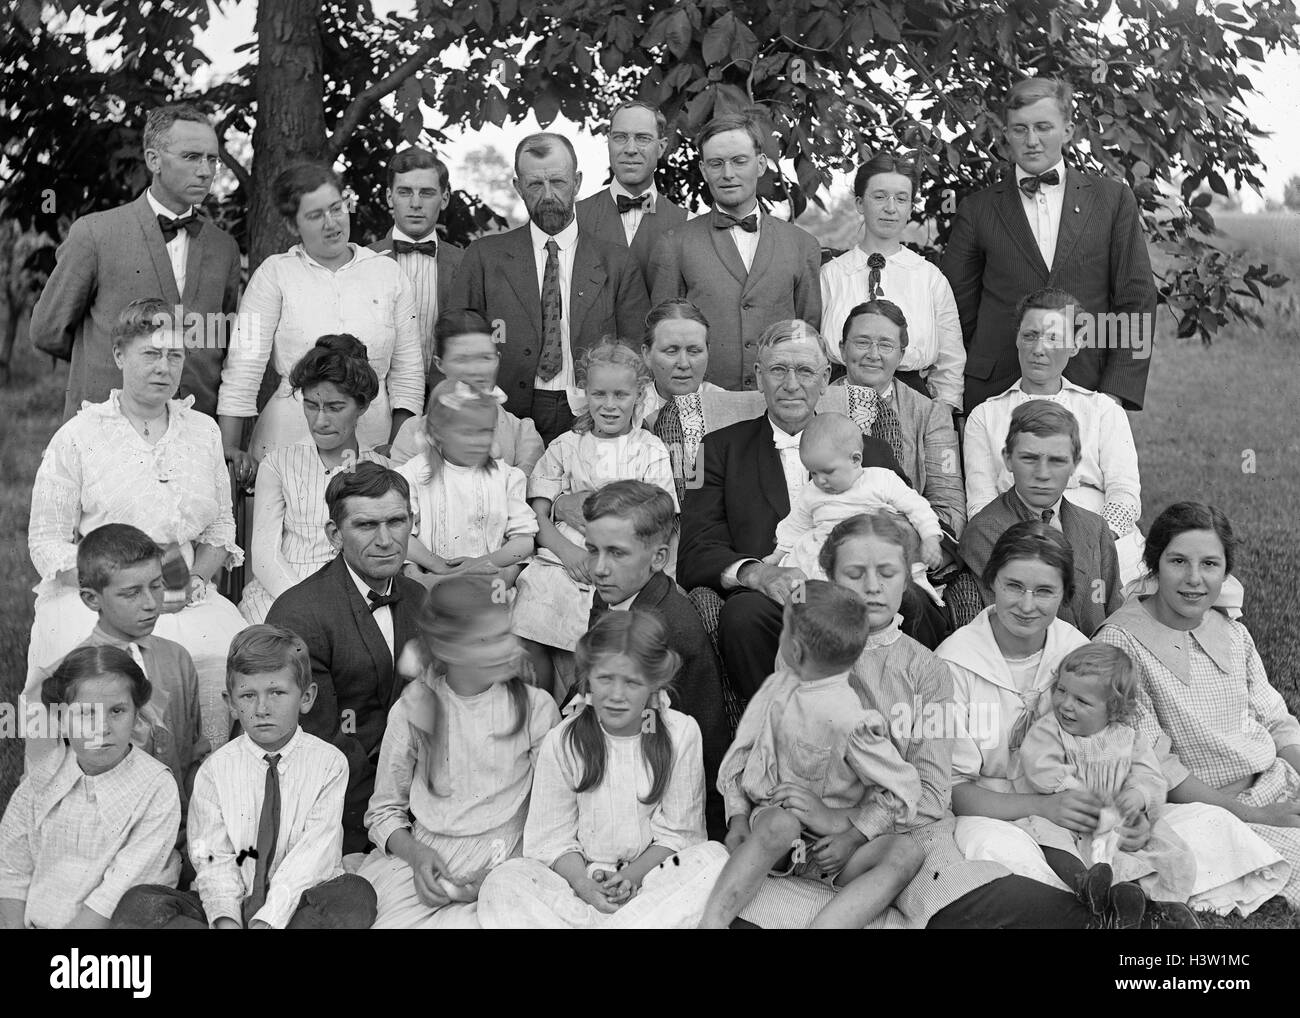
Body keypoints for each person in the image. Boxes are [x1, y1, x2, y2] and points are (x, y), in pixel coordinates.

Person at [936, 523, 1221, 927]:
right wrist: (1044, 806)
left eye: (1045, 591)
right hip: (998, 809)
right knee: (998, 851)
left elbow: (1126, 749)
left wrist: (1135, 814)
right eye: (1014, 586)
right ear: (990, 583)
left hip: (1086, 804)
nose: (1027, 605)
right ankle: (1103, 911)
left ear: (1065, 595)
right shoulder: (954, 663)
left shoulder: (1077, 652)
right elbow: (953, 791)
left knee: (1194, 827)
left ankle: (1127, 899)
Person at [678, 319, 944, 700]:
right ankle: (783, 727)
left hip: (865, 591)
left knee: (912, 600)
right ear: (758, 376)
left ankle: (902, 726)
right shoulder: (714, 450)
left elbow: (918, 519)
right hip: (788, 598)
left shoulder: (868, 451)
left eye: (804, 371)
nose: (790, 384)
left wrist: (903, 536)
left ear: (824, 379)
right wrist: (758, 574)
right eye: (777, 370)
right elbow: (695, 548)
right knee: (742, 617)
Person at [26, 298, 246, 754]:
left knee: (226, 654)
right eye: (150, 353)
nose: (163, 367)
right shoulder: (80, 434)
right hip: (98, 593)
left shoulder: (203, 432)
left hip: (186, 593)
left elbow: (221, 527)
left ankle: (201, 781)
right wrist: (114, 585)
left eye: (174, 356)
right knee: (99, 662)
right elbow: (45, 541)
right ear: (120, 356)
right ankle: (96, 775)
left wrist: (199, 580)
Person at [1095, 502, 1300, 911]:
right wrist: (1260, 816)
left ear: (1225, 571)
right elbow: (1159, 769)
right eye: (1178, 561)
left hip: (1274, 781)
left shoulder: (1232, 632)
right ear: (1154, 565)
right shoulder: (1120, 643)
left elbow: (1277, 722)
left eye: (1209, 564)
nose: (1194, 579)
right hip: (1205, 809)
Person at [112, 626, 378, 929]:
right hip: (230, 903)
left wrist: (266, 921)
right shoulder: (215, 770)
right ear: (231, 703)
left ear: (306, 697)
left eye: (277, 692)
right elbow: (212, 859)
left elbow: (312, 857)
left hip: (299, 900)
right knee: (140, 904)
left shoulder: (329, 763)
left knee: (356, 895)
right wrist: (227, 921)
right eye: (248, 695)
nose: (262, 709)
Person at [477, 611, 729, 929]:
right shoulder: (563, 740)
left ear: (655, 683)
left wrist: (630, 878)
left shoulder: (681, 733)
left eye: (633, 682)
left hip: (650, 880)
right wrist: (584, 885)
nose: (616, 695)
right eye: (604, 678)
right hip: (577, 884)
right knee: (505, 880)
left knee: (715, 860)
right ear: (587, 677)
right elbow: (551, 839)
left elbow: (680, 835)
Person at [702, 581, 923, 929]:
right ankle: (712, 921)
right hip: (777, 839)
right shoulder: (775, 691)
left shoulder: (853, 722)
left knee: (904, 853)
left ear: (796, 649)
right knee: (781, 821)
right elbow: (741, 757)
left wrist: (854, 836)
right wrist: (739, 818)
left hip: (831, 849)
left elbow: (904, 788)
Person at [941, 77, 1156, 413]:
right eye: (1019, 129)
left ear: (1068, 130)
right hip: (996, 391)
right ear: (1006, 135)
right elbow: (955, 311)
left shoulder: (1112, 201)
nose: (1032, 141)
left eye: (1043, 127)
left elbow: (1137, 301)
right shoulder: (978, 209)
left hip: (1088, 387)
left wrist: (1115, 392)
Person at [358, 576, 559, 928]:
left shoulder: (536, 710)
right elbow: (384, 810)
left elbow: (553, 815)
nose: (506, 648)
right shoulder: (413, 709)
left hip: (512, 859)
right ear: (447, 648)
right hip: (428, 861)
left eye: (505, 634)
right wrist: (418, 856)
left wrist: (498, 873)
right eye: (486, 640)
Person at [30, 103, 241, 421]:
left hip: (196, 427)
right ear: (153, 160)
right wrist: (100, 360)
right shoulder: (95, 233)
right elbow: (48, 330)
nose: (206, 170)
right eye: (191, 157)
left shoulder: (225, 248)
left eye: (212, 159)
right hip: (107, 424)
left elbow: (221, 339)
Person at [264, 462, 427, 855]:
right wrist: (389, 824)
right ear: (335, 534)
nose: (386, 540)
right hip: (341, 812)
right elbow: (318, 743)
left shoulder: (419, 599)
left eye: (396, 521)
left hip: (417, 800)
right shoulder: (299, 613)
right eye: (366, 525)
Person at [447, 132, 650, 443]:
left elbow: (635, 351)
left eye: (558, 182)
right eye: (534, 184)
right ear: (517, 187)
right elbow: (457, 343)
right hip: (504, 414)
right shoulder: (484, 257)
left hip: (594, 414)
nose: (547, 194)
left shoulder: (618, 263)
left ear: (578, 182)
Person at [217, 161, 422, 466]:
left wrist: (397, 450)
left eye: (336, 208)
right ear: (292, 225)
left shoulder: (388, 274)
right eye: (315, 216)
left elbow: (408, 376)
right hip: (287, 440)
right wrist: (227, 455)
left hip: (373, 443)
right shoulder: (273, 274)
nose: (331, 223)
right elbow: (242, 368)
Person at [513, 341, 676, 694]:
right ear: (585, 393)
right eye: (599, 394)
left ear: (639, 394)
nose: (610, 404)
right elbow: (537, 512)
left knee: (598, 633)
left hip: (622, 561)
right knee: (530, 615)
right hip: (559, 559)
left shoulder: (649, 450)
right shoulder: (566, 446)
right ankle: (540, 708)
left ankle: (582, 705)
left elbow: (663, 520)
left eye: (621, 394)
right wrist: (567, 552)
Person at [963, 287, 1144, 582]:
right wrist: (1030, 547)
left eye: (1054, 338)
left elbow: (1125, 494)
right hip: (1018, 542)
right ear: (1017, 339)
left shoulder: (1101, 410)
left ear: (1075, 344)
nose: (1039, 349)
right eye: (1030, 335)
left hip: (1103, 541)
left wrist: (1095, 540)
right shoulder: (986, 416)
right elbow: (980, 503)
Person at [582, 481, 730, 839]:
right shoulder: (615, 593)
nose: (599, 568)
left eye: (617, 553)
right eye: (592, 550)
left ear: (659, 558)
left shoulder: (667, 628)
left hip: (670, 782)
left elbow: (671, 739)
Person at [0, 646, 180, 929]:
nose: (102, 728)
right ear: (61, 720)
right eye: (85, 713)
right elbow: (11, 869)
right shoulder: (43, 779)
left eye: (117, 711)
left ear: (136, 716)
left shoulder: (156, 787)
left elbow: (117, 891)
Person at [1011, 643, 1197, 907]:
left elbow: (1150, 776)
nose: (1065, 704)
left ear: (1113, 709)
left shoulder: (1127, 738)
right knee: (1049, 838)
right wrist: (1074, 790)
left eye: (1081, 701)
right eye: (1061, 690)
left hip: (1112, 818)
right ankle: (1083, 882)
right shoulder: (1051, 729)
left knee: (1160, 844)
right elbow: (1039, 764)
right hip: (1064, 816)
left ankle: (1153, 900)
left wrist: (1138, 796)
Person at [649, 114, 822, 391]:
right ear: (704, 170)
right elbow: (663, 337)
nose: (727, 174)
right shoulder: (674, 244)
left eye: (739, 161)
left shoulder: (803, 245)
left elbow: (808, 334)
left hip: (779, 402)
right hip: (702, 402)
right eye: (717, 164)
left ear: (761, 164)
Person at [239, 334, 391, 624]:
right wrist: (307, 606)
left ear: (362, 406)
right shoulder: (278, 464)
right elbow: (263, 556)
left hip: (357, 601)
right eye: (311, 405)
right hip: (282, 594)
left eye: (335, 407)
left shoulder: (382, 469)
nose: (320, 420)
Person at [71, 525, 209, 818]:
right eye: (131, 593)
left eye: (157, 586)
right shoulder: (71, 676)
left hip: (180, 838)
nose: (150, 603)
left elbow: (194, 753)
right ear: (91, 598)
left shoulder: (177, 659)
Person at [958, 400, 1122, 636]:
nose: (1043, 474)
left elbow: (1115, 609)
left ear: (1075, 463)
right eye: (1029, 458)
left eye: (1057, 460)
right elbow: (1015, 621)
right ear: (1008, 459)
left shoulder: (1095, 527)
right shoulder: (985, 531)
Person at [820, 153, 964, 410]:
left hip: (913, 403)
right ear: (860, 203)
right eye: (879, 196)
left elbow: (950, 359)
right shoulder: (831, 275)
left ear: (910, 208)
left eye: (901, 199)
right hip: (837, 402)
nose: (890, 207)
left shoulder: (929, 277)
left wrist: (942, 413)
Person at [833, 299, 965, 552]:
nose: (873, 354)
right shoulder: (819, 407)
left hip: (908, 549)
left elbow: (950, 507)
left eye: (886, 345)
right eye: (862, 342)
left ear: (901, 355)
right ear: (842, 349)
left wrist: (905, 540)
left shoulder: (930, 415)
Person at [765, 413, 944, 595]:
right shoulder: (810, 492)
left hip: (873, 547)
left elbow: (917, 507)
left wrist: (930, 537)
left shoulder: (881, 480)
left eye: (827, 472)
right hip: (823, 552)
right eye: (814, 473)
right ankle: (804, 609)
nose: (820, 481)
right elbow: (795, 525)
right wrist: (779, 554)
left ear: (855, 460)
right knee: (799, 575)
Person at [397, 381, 537, 587]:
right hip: (432, 574)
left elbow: (524, 541)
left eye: (486, 431)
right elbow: (400, 534)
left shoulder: (506, 477)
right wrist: (438, 564)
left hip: (489, 574)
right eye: (467, 432)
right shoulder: (414, 474)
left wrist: (479, 564)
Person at [388, 309, 543, 472]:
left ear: (498, 359)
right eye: (461, 359)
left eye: (485, 358)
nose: (475, 370)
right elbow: (401, 492)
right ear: (439, 363)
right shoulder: (413, 432)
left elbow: (520, 493)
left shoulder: (522, 434)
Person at [368, 147, 464, 377]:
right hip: (375, 398)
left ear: (444, 199)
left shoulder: (467, 264)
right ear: (390, 198)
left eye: (427, 193)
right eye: (405, 192)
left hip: (445, 399)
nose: (416, 203)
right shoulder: (362, 261)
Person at [575, 100, 688, 289]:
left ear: (661, 147)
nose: (630, 149)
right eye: (620, 137)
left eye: (643, 138)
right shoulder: (573, 219)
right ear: (609, 142)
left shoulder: (688, 224)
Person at [638, 298, 727, 503]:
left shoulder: (726, 408)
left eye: (694, 351)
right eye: (671, 351)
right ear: (647, 354)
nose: (684, 363)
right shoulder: (626, 411)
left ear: (708, 352)